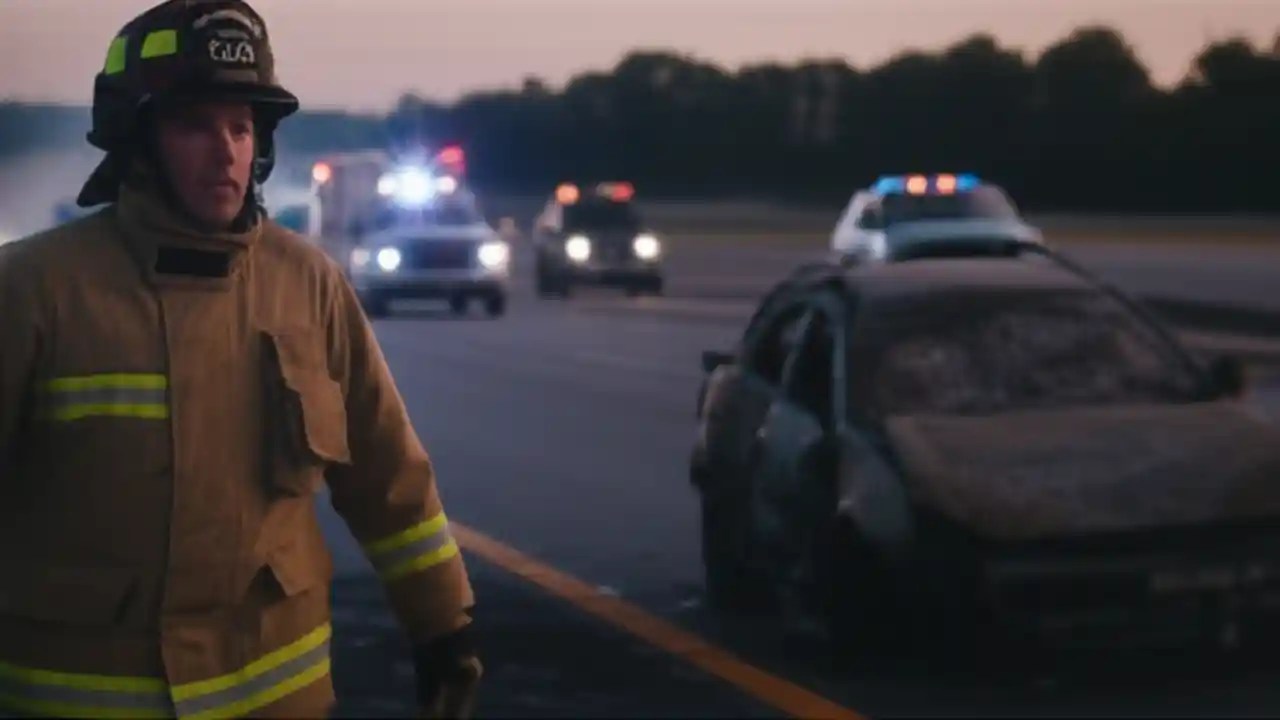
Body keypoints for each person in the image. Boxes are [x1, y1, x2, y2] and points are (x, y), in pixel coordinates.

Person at [0, 1, 480, 717]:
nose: (226, 150)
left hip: (280, 700)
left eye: (241, 125)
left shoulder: (308, 283)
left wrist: (444, 625)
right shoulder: (34, 290)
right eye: (195, 124)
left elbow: (389, 476)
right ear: (135, 140)